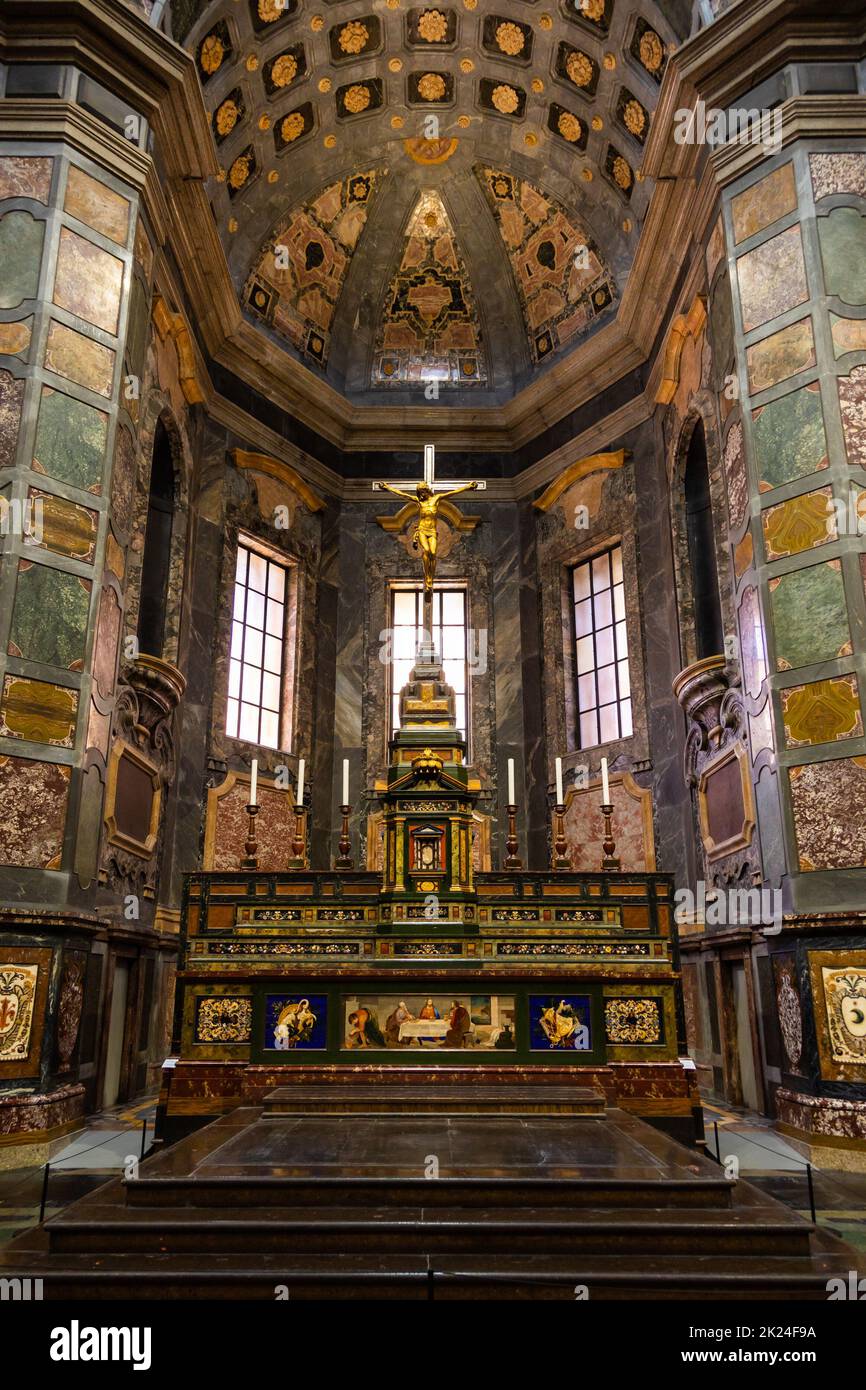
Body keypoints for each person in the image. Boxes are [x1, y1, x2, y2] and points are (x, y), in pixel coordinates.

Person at [377, 479, 479, 593]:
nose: (421, 495)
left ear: (426, 491)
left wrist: (468, 486)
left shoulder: (436, 499)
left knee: (433, 553)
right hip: (422, 530)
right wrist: (387, 487)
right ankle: (428, 579)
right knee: (426, 550)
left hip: (432, 531)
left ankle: (430, 576)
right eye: (419, 493)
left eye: (422, 492)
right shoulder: (419, 502)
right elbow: (403, 495)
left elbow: (453, 492)